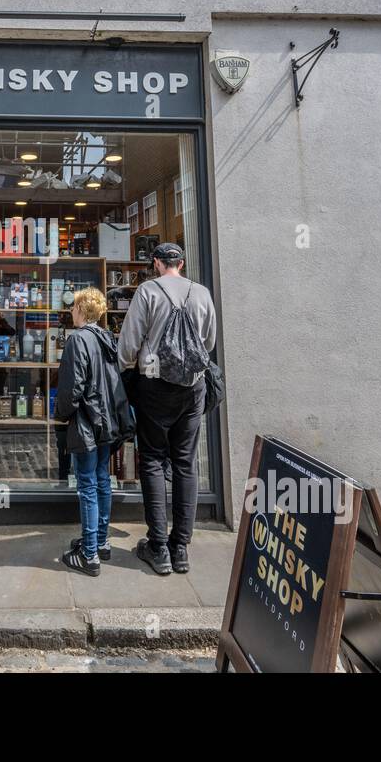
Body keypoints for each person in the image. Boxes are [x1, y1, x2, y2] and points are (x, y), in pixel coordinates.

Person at [118, 243, 217, 576]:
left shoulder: (148, 291)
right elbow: (209, 341)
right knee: (186, 462)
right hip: (192, 387)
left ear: (157, 263)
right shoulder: (201, 293)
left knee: (153, 461)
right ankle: (181, 548)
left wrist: (124, 370)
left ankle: (158, 546)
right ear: (182, 263)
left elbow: (129, 342)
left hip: (155, 386)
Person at [55, 287, 136, 577]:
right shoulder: (105, 338)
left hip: (87, 422)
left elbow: (72, 387)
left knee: (87, 485)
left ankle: (89, 555)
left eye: (74, 307)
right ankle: (100, 541)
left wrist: (62, 414)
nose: (71, 311)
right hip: (107, 422)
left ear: (83, 311)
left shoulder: (77, 339)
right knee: (102, 480)